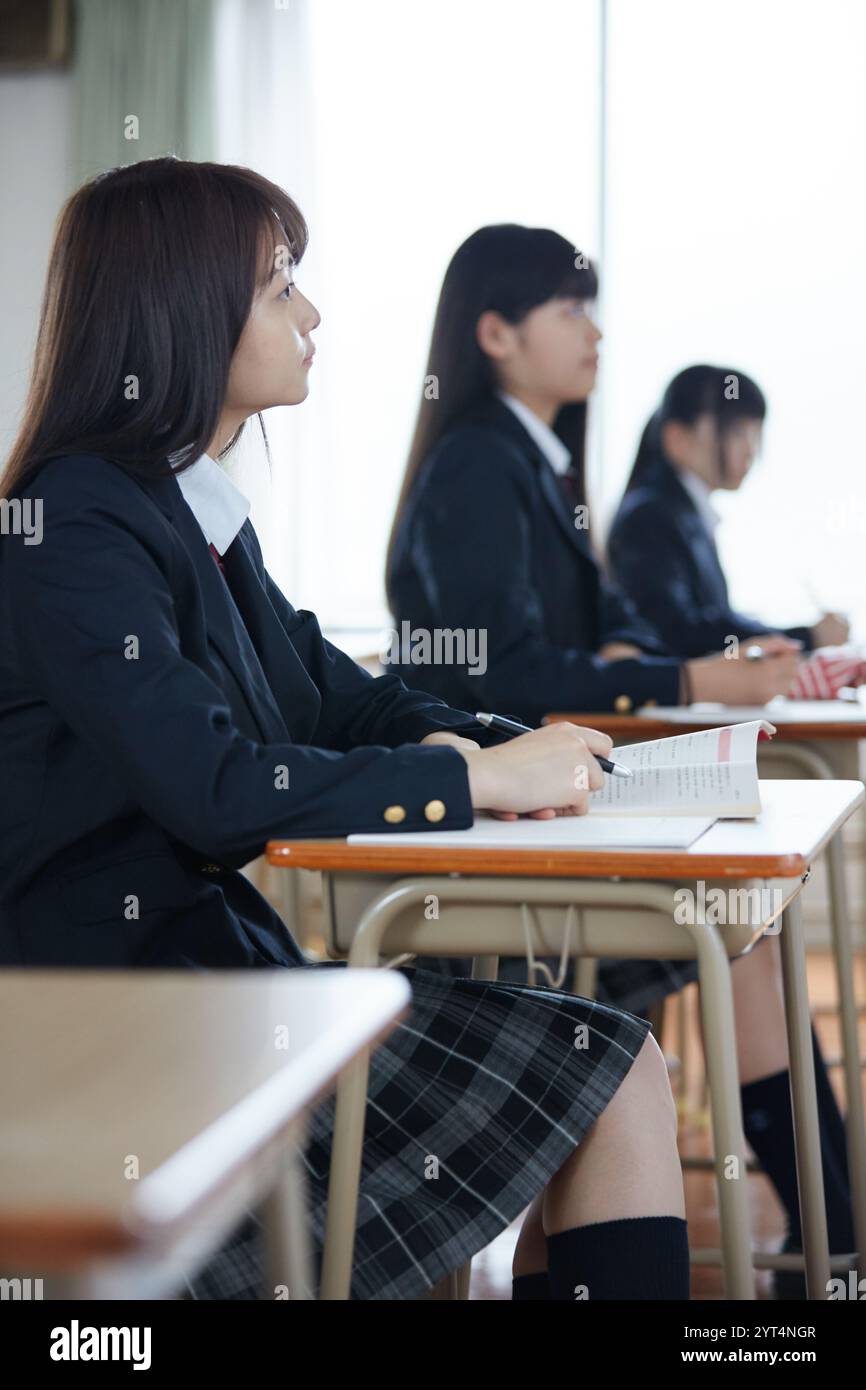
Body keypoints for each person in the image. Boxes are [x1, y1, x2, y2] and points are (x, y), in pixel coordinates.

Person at [0, 159, 689, 1302]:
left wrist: (502, 744)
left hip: (222, 992)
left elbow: (342, 692)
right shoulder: (75, 525)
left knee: (607, 1063)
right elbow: (216, 787)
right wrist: (467, 780)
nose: (309, 315)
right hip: (125, 1033)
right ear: (182, 310)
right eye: (279, 286)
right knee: (606, 1066)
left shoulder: (187, 514)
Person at [384, 225, 855, 1295]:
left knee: (741, 928)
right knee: (731, 942)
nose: (594, 332)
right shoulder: (478, 463)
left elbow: (579, 646)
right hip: (488, 837)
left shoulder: (537, 467)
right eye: (569, 309)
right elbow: (502, 675)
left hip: (540, 811)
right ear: (495, 331)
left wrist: (655, 667)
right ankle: (834, 1246)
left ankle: (832, 1240)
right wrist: (681, 681)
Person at [607, 363, 849, 657]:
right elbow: (674, 631)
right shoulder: (650, 515)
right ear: (678, 439)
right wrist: (803, 637)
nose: (751, 449)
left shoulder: (681, 512)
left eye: (755, 433)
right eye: (736, 432)